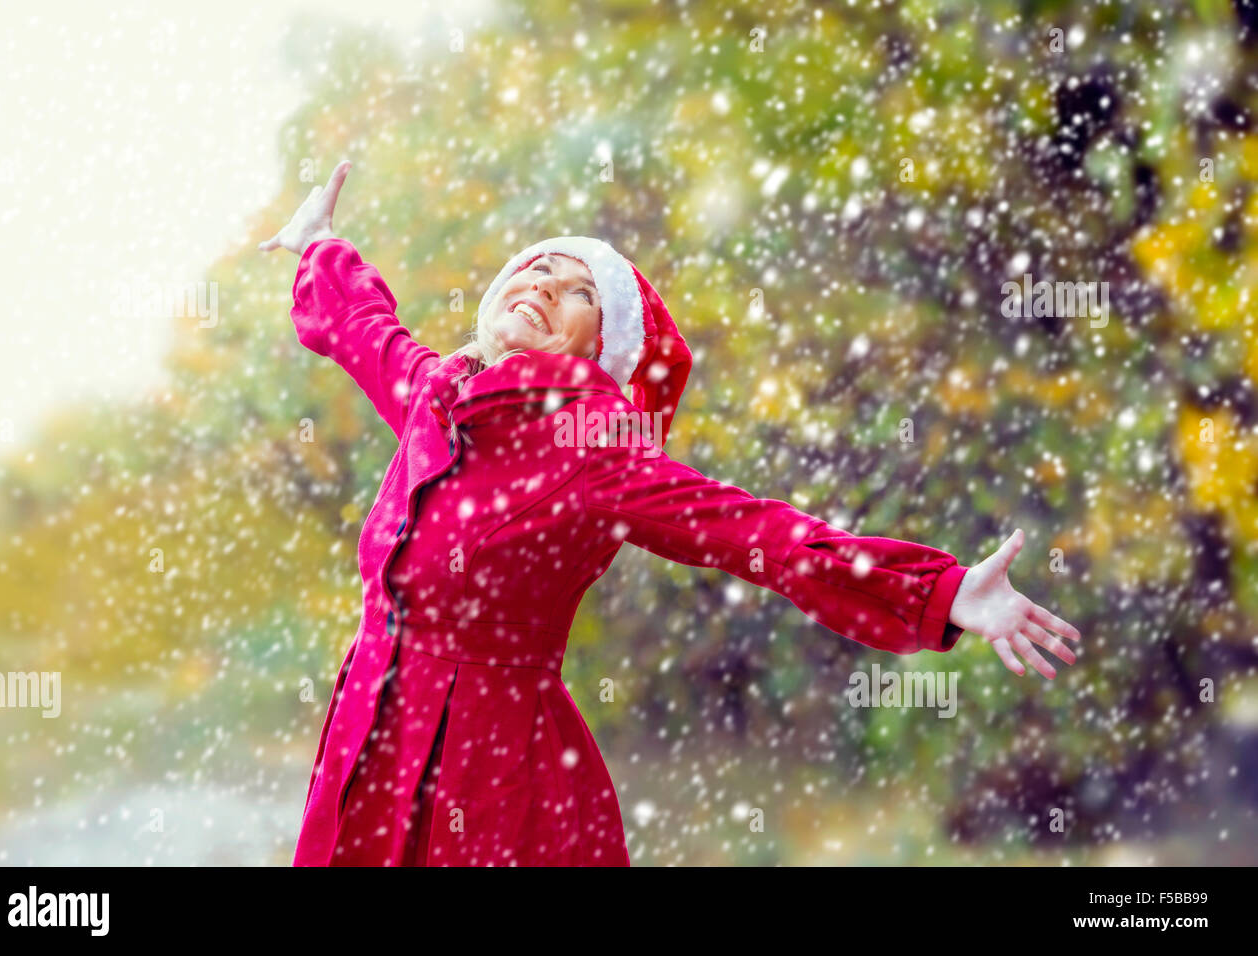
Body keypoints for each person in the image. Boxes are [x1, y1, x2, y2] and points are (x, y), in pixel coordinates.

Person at [258, 161, 1081, 866]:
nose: (545, 284)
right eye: (537, 268)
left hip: (490, 763)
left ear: (599, 347)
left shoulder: (595, 448)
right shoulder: (437, 394)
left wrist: (937, 594)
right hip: (374, 726)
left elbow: (749, 532)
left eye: (580, 291)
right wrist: (320, 242)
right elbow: (362, 324)